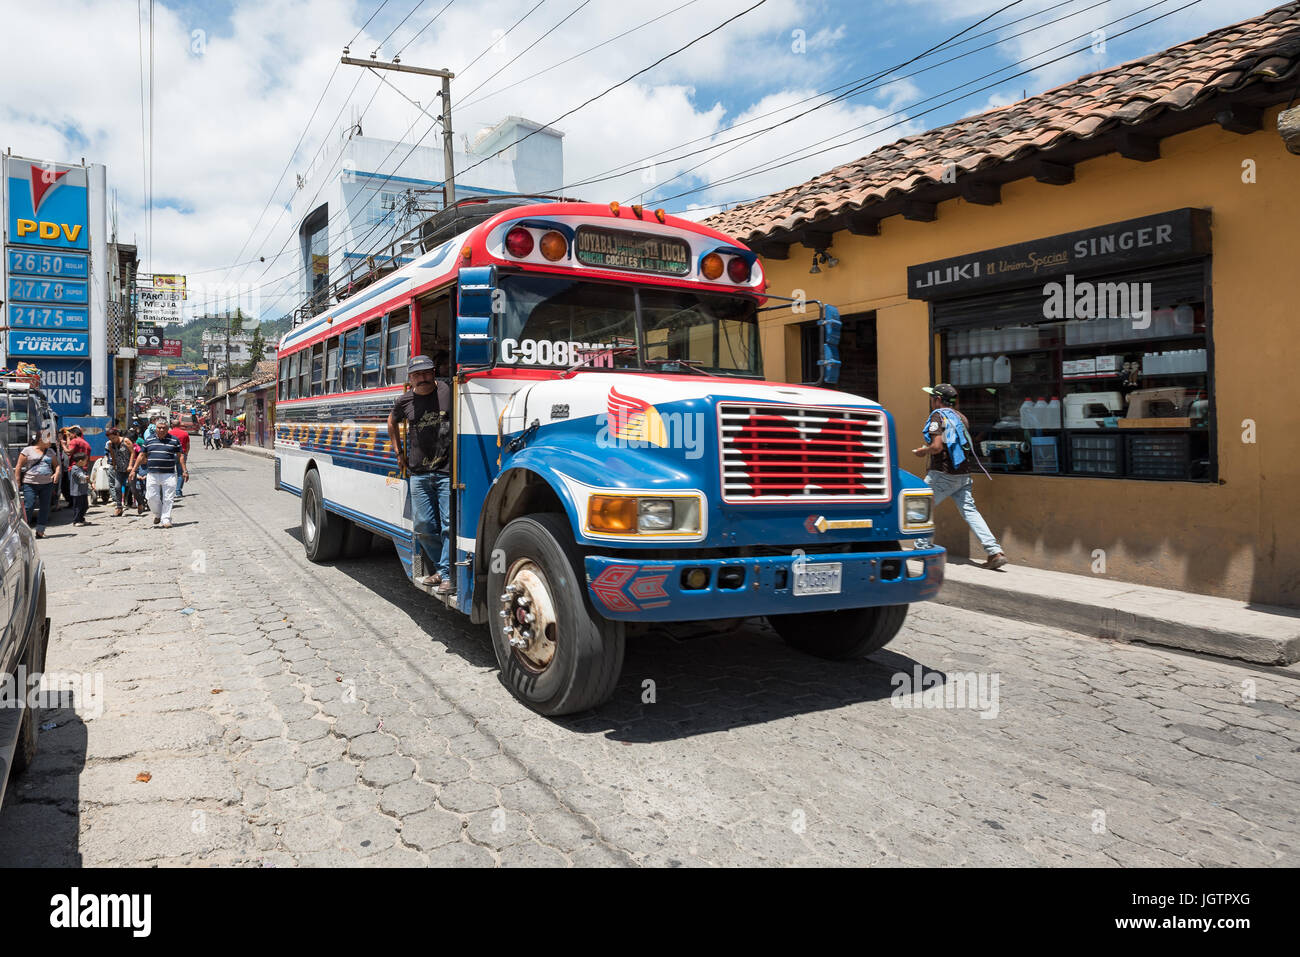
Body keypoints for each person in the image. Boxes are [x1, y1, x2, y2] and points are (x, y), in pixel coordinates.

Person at [911, 383, 1008, 570]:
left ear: (938, 400)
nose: (931, 401)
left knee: (919, 505)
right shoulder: (961, 417)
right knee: (971, 512)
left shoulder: (938, 416)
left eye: (932, 398)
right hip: (963, 474)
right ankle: (994, 551)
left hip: (942, 473)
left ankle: (922, 549)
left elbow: (938, 446)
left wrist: (924, 451)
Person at [387, 354, 453, 595]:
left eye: (426, 373)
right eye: (417, 375)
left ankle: (446, 574)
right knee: (424, 526)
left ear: (434, 373)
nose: (422, 379)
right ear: (410, 378)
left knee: (448, 525)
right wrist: (398, 452)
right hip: (419, 473)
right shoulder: (405, 401)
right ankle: (441, 568)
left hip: (446, 471)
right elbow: (391, 422)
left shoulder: (448, 390)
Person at [129, 415, 188, 528]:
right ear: (155, 428)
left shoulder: (174, 440)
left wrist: (184, 470)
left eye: (164, 428)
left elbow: (180, 456)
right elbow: (141, 455)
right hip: (152, 474)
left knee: (168, 498)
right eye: (159, 427)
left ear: (168, 428)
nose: (161, 430)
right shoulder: (149, 440)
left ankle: (166, 519)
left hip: (169, 474)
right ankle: (158, 514)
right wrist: (133, 469)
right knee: (151, 497)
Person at [16, 431, 60, 538]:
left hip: (47, 484)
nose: (51, 441)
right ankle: (23, 530)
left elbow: (57, 465)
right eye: (49, 439)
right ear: (41, 439)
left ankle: (40, 531)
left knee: (45, 507)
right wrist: (17, 482)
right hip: (30, 483)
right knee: (28, 506)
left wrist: (56, 474)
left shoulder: (50, 452)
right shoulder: (28, 450)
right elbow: (18, 466)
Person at [104, 428, 134, 516]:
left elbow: (132, 453)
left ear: (117, 434)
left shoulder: (126, 441)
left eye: (113, 438)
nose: (112, 440)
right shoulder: (110, 444)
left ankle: (138, 503)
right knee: (117, 487)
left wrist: (130, 465)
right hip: (119, 468)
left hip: (128, 467)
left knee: (132, 487)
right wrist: (114, 465)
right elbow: (112, 455)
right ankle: (119, 507)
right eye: (110, 439)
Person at [168, 420, 191, 497]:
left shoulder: (168, 433)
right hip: (181, 454)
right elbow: (188, 445)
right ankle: (178, 491)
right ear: (179, 425)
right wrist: (186, 454)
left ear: (172, 425)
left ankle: (168, 491)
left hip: (170, 454)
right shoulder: (185, 433)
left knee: (169, 473)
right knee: (180, 474)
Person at [69, 452, 91, 526]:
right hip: (77, 492)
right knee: (78, 507)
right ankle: (76, 521)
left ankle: (81, 519)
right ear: (80, 461)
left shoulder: (81, 468)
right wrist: (85, 477)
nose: (86, 462)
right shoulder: (75, 468)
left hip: (83, 491)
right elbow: (80, 475)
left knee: (85, 506)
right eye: (86, 460)